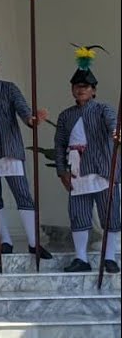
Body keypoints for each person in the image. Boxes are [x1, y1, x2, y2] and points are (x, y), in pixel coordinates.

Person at [0, 28, 52, 257]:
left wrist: (32, 119)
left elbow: (23, 110)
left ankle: (33, 242)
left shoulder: (8, 88)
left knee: (22, 194)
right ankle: (4, 241)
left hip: (9, 148)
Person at [53, 45, 120, 274]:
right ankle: (81, 258)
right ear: (72, 89)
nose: (81, 90)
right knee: (78, 215)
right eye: (77, 86)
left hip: (102, 169)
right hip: (76, 171)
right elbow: (60, 144)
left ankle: (109, 257)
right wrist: (61, 171)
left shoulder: (103, 109)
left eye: (85, 87)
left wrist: (116, 132)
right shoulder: (66, 116)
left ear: (93, 90)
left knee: (109, 214)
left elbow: (113, 124)